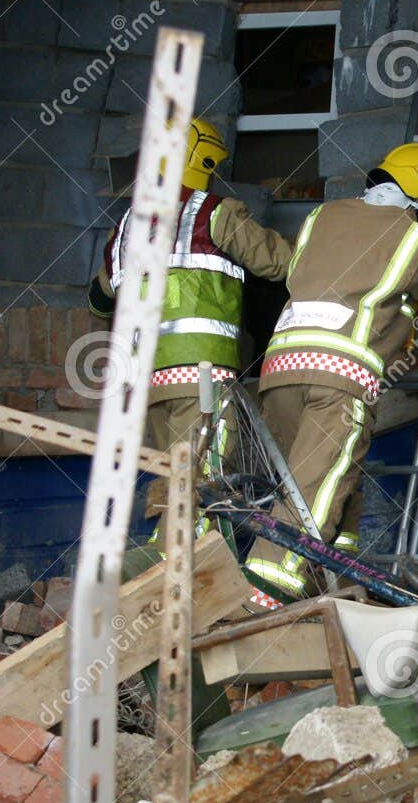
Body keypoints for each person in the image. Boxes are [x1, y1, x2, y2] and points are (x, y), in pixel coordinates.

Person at [239, 142, 418, 609]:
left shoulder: (319, 220)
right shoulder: (414, 240)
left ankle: (331, 587)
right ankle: (263, 596)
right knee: (313, 493)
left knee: (317, 482)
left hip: (278, 372)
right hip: (337, 378)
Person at [88, 117, 293, 547]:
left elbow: (98, 300)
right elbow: (278, 264)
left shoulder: (125, 228)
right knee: (205, 485)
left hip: (148, 385)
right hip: (200, 379)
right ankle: (175, 581)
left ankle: (167, 574)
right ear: (201, 161)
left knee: (175, 480)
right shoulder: (214, 212)